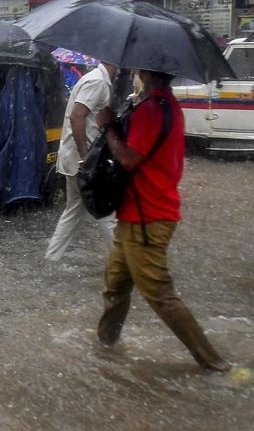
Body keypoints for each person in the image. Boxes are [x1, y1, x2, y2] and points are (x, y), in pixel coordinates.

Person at [94, 69, 230, 371]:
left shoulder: (153, 109)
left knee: (160, 294)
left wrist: (108, 129)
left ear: (144, 72)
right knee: (115, 286)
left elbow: (129, 159)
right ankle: (105, 347)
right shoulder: (165, 104)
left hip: (147, 218)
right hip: (137, 215)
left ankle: (215, 363)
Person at [45, 61, 119, 262]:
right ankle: (125, 266)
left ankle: (52, 258)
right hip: (84, 161)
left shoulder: (97, 80)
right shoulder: (97, 82)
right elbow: (77, 115)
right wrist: (84, 156)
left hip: (78, 159)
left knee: (74, 210)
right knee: (105, 211)